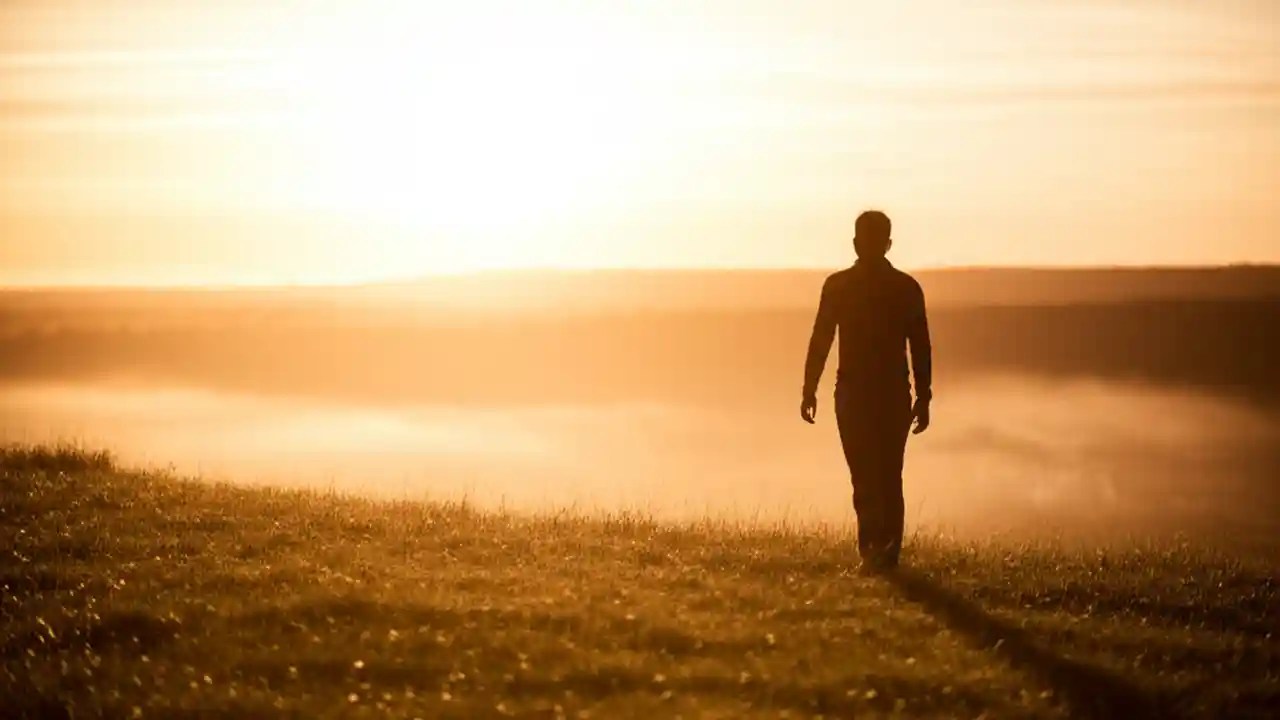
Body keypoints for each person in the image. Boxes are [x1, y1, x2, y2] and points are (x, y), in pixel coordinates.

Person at [801, 210, 932, 572]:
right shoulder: (906, 288)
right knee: (890, 475)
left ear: (856, 243)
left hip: (854, 394)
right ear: (889, 244)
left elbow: (821, 339)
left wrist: (809, 388)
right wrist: (924, 396)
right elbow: (920, 346)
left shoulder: (839, 286)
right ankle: (884, 554)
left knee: (864, 477)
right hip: (892, 393)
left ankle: (873, 553)